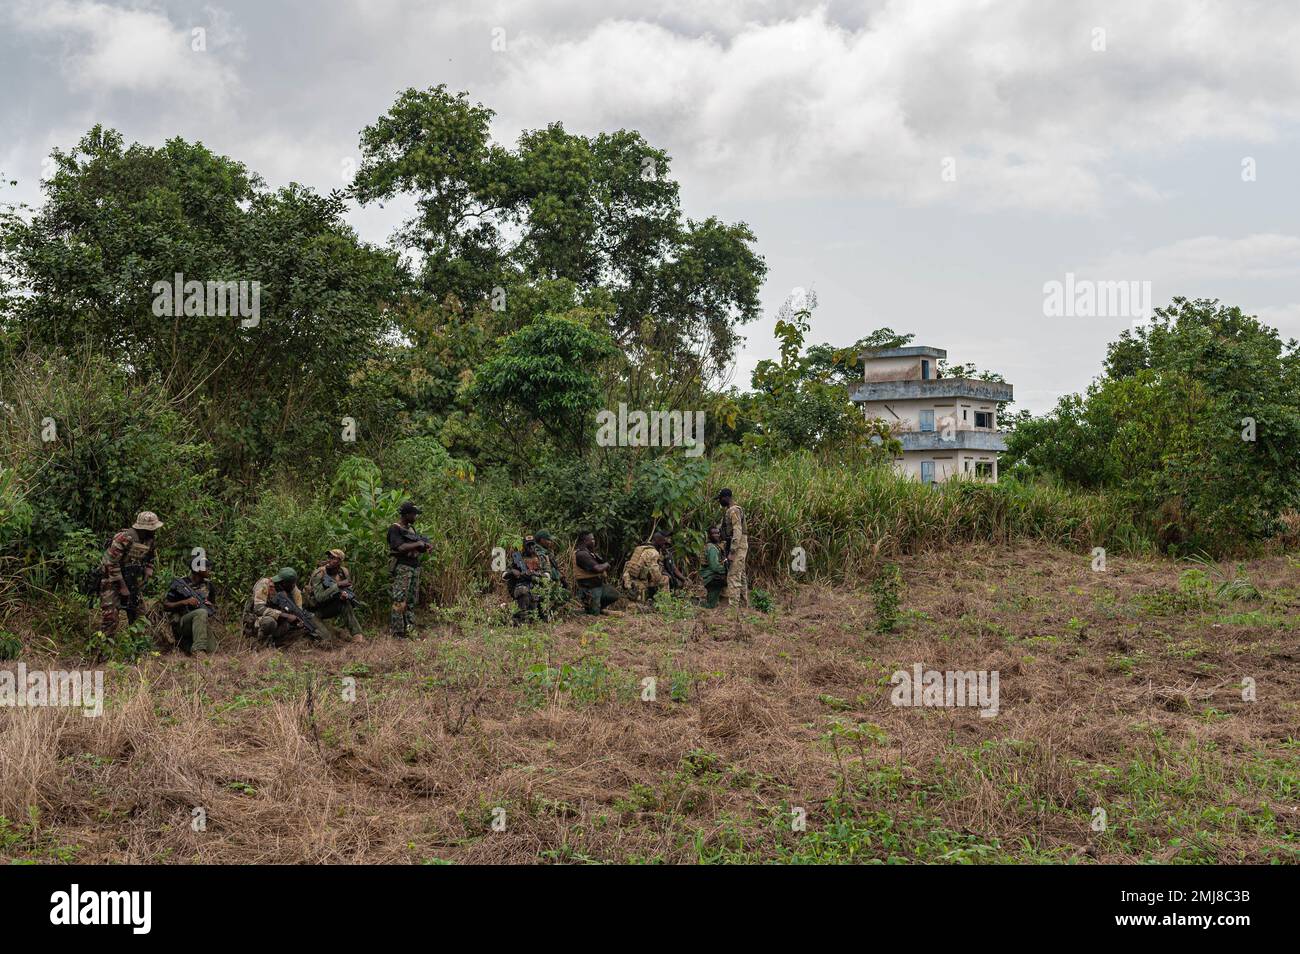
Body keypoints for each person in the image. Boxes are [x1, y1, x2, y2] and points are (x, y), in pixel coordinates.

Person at [98, 511, 163, 636]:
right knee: (110, 618)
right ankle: (103, 651)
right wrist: (122, 586)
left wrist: (148, 571)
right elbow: (109, 563)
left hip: (132, 580)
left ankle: (137, 649)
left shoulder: (149, 539)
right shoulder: (123, 538)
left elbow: (150, 557)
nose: (154, 531)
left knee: (139, 617)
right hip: (112, 581)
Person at [387, 501, 431, 638]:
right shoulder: (395, 528)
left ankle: (410, 630)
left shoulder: (411, 530)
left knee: (411, 600)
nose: (415, 517)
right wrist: (418, 543)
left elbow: (417, 547)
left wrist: (425, 546)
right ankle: (398, 632)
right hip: (403, 567)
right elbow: (399, 547)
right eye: (413, 514)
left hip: (414, 567)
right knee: (399, 600)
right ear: (406, 514)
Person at [244, 567, 319, 646]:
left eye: (294, 583)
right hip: (257, 618)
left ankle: (275, 643)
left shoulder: (295, 591)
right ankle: (259, 643)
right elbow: (258, 608)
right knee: (270, 622)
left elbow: (298, 611)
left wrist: (297, 622)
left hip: (279, 620)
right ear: (284, 583)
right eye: (291, 584)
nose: (294, 586)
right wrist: (284, 615)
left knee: (294, 626)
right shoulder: (265, 585)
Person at [307, 548, 363, 641]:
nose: (329, 560)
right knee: (327, 639)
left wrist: (343, 596)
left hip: (329, 606)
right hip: (315, 610)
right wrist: (337, 586)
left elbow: (348, 588)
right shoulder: (320, 573)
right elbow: (319, 597)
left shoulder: (343, 572)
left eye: (333, 558)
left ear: (340, 561)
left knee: (346, 604)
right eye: (329, 557)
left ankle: (357, 636)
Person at [164, 558, 217, 655]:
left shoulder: (209, 586)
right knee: (201, 612)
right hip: (182, 623)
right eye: (206, 567)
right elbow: (166, 605)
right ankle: (198, 650)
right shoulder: (181, 584)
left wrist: (210, 605)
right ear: (197, 569)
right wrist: (184, 602)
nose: (209, 569)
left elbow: (212, 609)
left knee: (213, 651)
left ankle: (187, 646)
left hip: (200, 624)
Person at [573, 532, 621, 615]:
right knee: (593, 614)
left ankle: (597, 608)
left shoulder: (589, 553)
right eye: (592, 539)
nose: (594, 541)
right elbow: (598, 568)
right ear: (585, 541)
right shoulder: (581, 554)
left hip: (597, 585)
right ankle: (578, 612)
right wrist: (607, 564)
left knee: (614, 594)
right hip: (590, 588)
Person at [718, 488, 748, 607]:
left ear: (726, 497)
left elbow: (737, 531)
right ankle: (744, 604)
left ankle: (734, 608)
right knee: (741, 574)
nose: (720, 501)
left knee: (733, 575)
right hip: (740, 544)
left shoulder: (733, 510)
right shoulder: (732, 510)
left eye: (720, 499)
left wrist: (732, 551)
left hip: (738, 545)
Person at [504, 535, 545, 623]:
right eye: (528, 545)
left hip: (537, 586)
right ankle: (521, 618)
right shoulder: (518, 558)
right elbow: (504, 574)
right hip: (521, 587)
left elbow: (546, 575)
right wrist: (513, 572)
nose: (530, 547)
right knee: (523, 590)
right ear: (524, 546)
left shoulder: (540, 558)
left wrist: (534, 574)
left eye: (532, 545)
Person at [699, 526, 728, 609]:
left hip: (709, 576)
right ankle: (696, 604)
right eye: (713, 533)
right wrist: (726, 570)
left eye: (717, 533)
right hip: (710, 578)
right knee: (711, 605)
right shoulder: (712, 548)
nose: (716, 535)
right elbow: (715, 567)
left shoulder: (713, 546)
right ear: (709, 535)